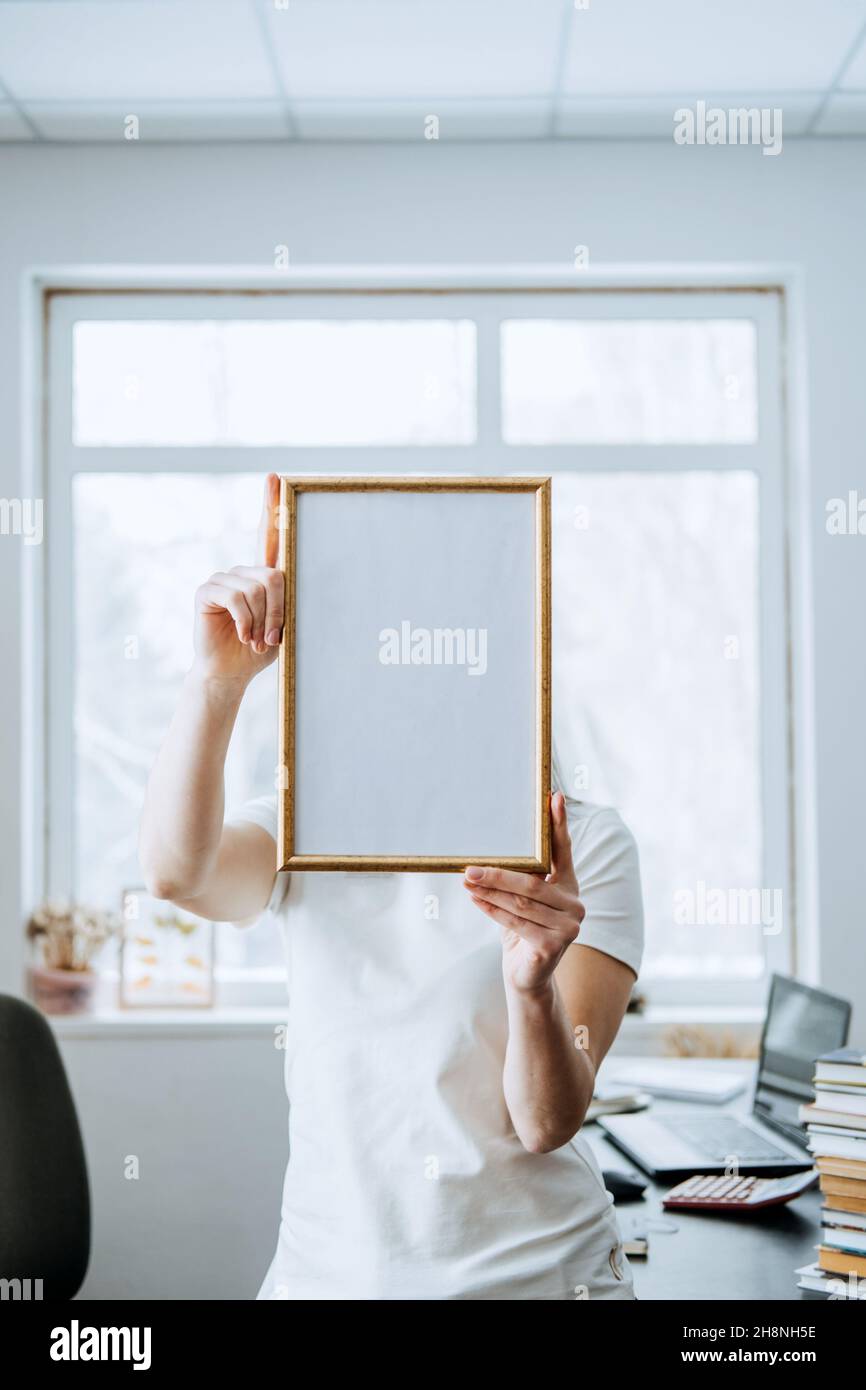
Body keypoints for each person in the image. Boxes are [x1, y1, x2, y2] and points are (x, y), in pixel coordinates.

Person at [139, 474, 644, 1301]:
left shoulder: (582, 843)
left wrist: (531, 986)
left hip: (534, 1280)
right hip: (330, 1277)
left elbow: (546, 1122)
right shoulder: (307, 824)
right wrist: (216, 683)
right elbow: (175, 871)